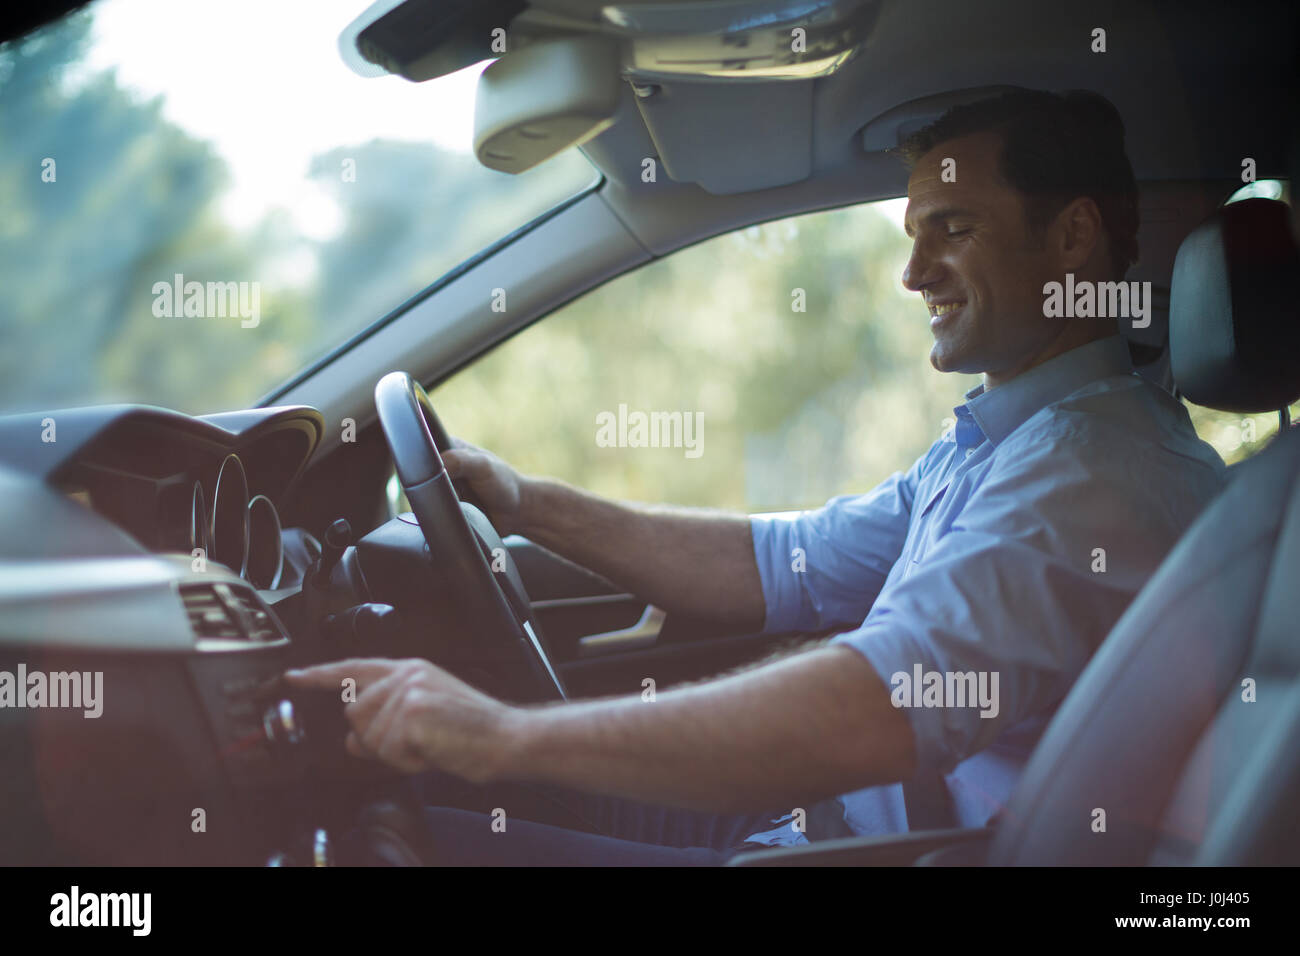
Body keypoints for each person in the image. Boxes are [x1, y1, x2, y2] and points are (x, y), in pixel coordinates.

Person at [286, 89, 1226, 865]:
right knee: (419, 811)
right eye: (914, 233)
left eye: (954, 228)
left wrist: (496, 735)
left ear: (1071, 241)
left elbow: (878, 705)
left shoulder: (1093, 477)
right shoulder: (1004, 442)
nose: (912, 274)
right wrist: (527, 503)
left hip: (877, 853)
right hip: (812, 827)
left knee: (401, 842)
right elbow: (787, 562)